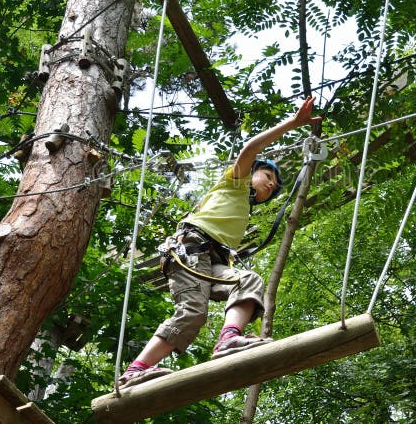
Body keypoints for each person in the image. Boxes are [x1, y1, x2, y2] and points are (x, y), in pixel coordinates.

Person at [116, 97, 322, 388]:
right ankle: (134, 371)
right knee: (193, 312)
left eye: (275, 185)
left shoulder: (243, 207)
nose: (272, 183)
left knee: (247, 280)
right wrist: (293, 123)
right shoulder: (234, 183)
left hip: (210, 261)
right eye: (268, 175)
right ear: (252, 173)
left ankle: (228, 340)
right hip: (190, 249)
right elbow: (250, 149)